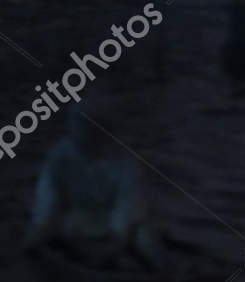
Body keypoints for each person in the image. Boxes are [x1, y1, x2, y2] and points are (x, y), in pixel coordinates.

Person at [25, 107, 163, 270]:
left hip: (119, 227)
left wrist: (116, 240)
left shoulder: (125, 160)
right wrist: (40, 229)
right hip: (78, 220)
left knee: (143, 238)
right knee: (55, 234)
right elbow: (47, 199)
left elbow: (128, 204)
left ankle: (166, 270)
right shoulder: (60, 155)